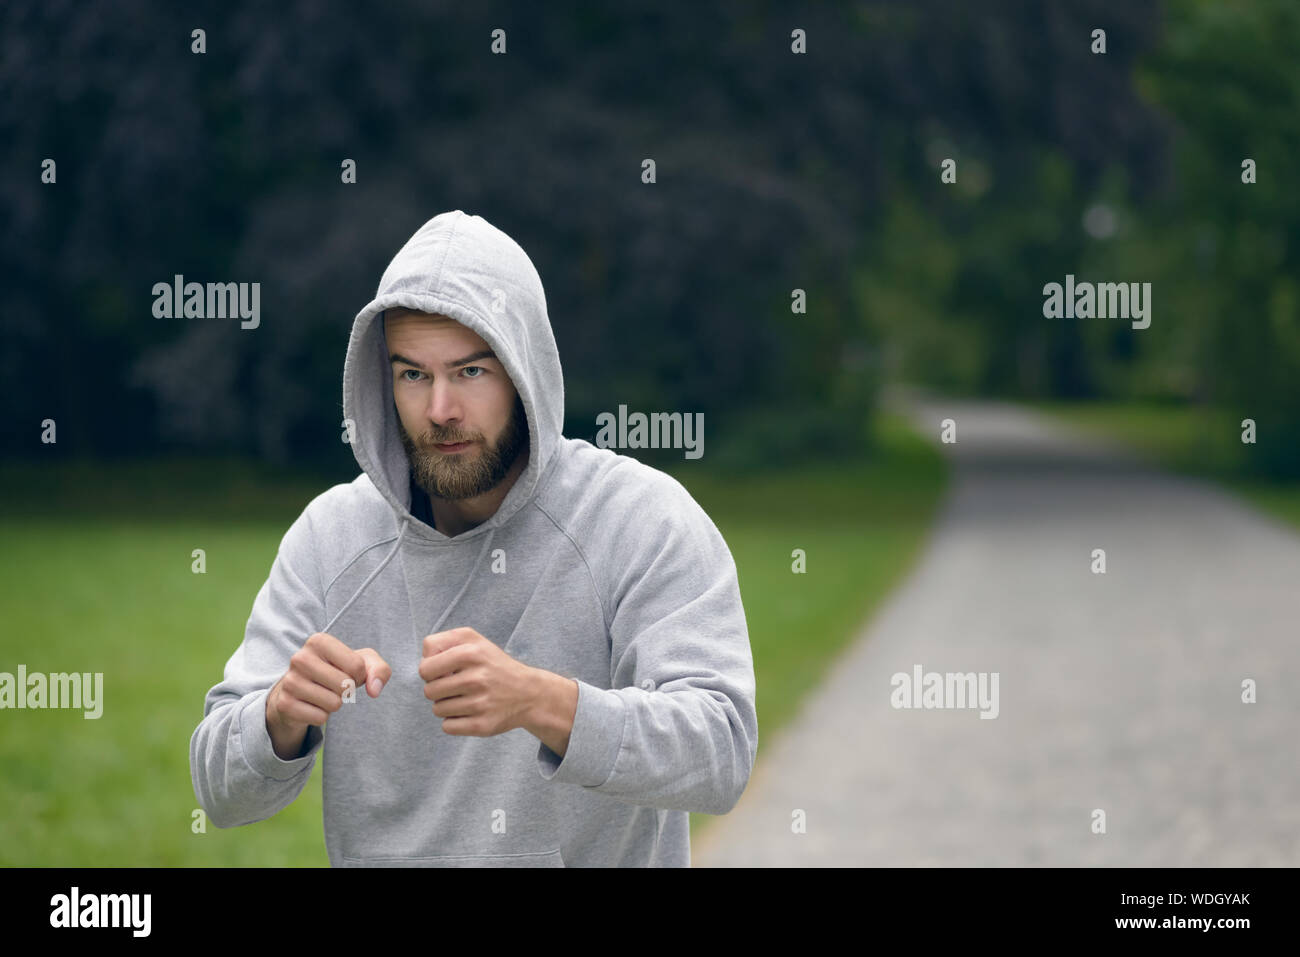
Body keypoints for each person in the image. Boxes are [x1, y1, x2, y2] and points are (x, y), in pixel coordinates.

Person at [189, 209, 758, 867]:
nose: (440, 410)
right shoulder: (331, 537)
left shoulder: (639, 519)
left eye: (470, 372)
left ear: (524, 372)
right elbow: (218, 790)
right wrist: (280, 716)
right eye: (412, 374)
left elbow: (721, 749)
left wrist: (541, 700)